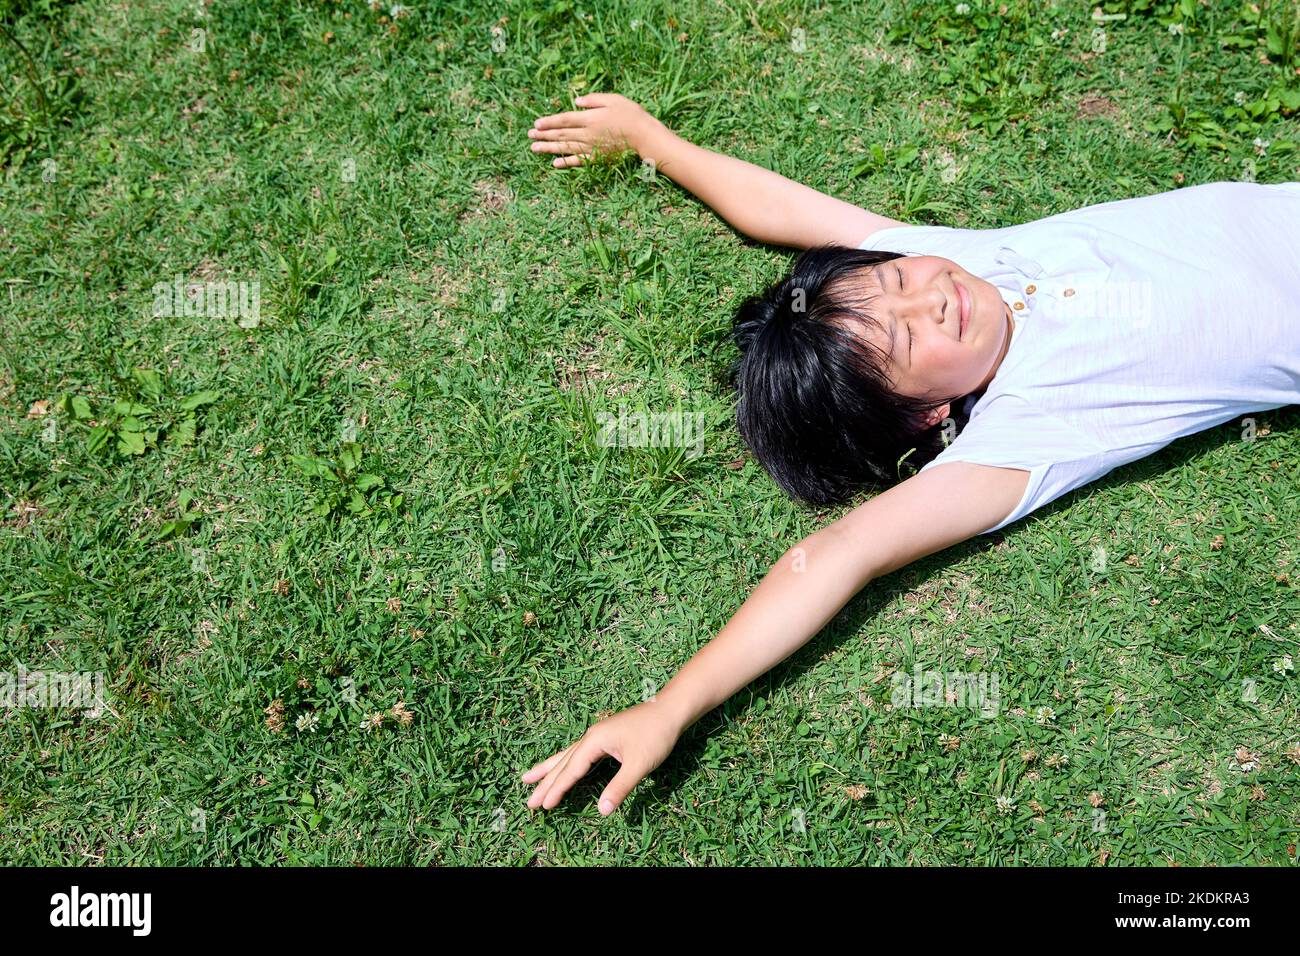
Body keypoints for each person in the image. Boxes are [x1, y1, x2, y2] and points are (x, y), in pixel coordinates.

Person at [520, 92, 1300, 815]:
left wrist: (654, 141)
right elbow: (841, 552)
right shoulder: (1024, 428)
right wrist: (671, 704)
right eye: (907, 336)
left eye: (896, 277)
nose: (929, 299)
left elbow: (782, 210)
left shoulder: (957, 264)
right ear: (927, 412)